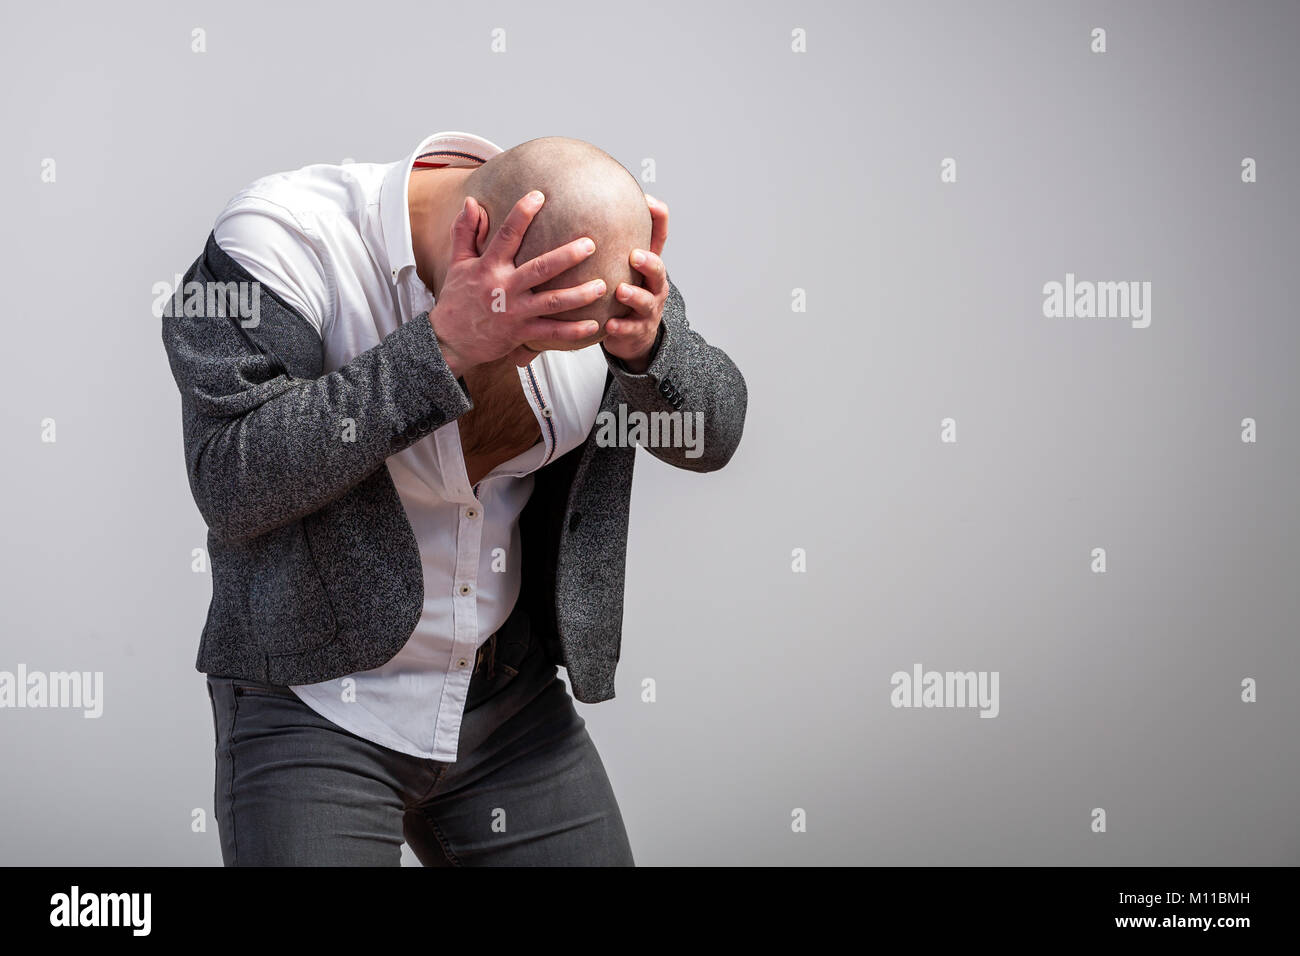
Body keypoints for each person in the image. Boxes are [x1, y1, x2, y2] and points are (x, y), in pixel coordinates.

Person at [160, 131, 747, 865]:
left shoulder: (579, 257)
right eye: (530, 338)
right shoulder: (283, 240)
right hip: (311, 696)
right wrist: (440, 348)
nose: (538, 359)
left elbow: (711, 439)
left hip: (507, 699)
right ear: (477, 238)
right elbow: (231, 481)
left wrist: (652, 351)